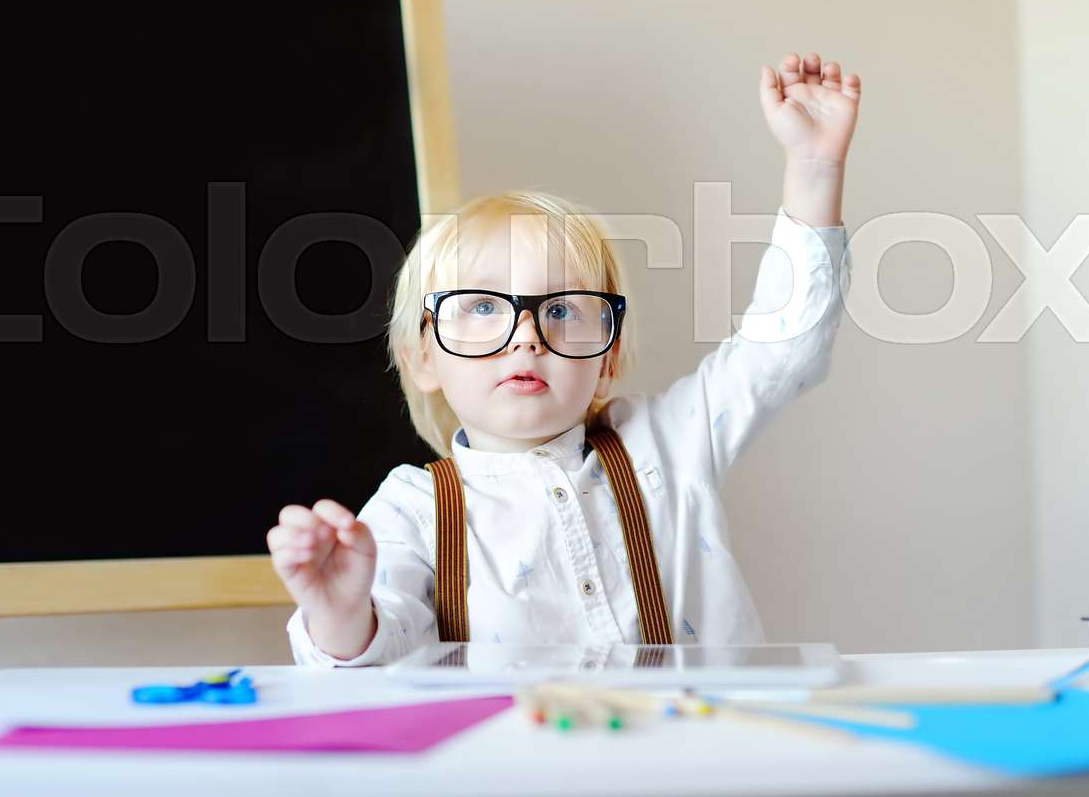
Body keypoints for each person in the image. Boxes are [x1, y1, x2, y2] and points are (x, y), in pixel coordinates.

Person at [267, 51, 860, 664]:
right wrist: (341, 615)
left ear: (609, 357)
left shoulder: (666, 443)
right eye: (482, 306)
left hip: (700, 729)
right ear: (422, 358)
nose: (526, 336)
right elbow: (382, 648)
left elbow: (781, 349)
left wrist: (814, 167)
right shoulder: (412, 509)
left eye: (562, 309)